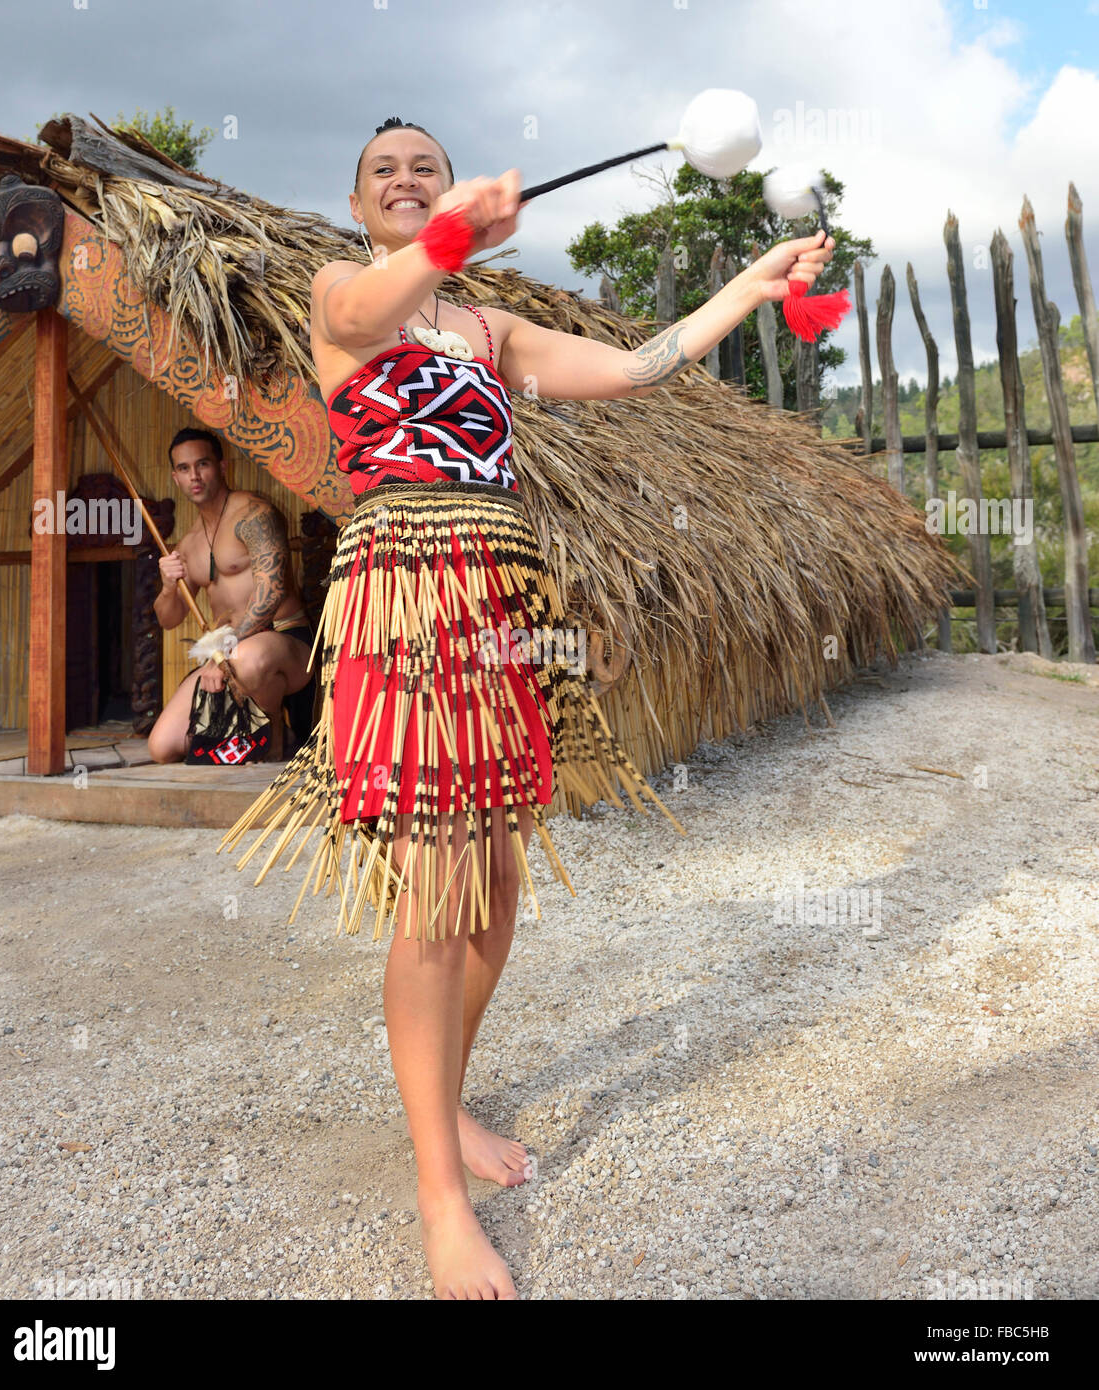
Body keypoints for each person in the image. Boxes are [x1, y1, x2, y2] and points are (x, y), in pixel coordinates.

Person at [226, 117, 834, 1299]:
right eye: (384, 171)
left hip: (501, 596)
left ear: (450, 188)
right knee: (438, 891)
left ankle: (443, 1106)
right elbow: (357, 321)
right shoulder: (343, 289)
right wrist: (453, 234)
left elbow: (637, 368)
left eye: (428, 169)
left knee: (495, 886)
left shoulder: (487, 327)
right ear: (360, 203)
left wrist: (747, 289)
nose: (406, 180)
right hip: (403, 587)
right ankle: (438, 1196)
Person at [148, 428, 315, 762]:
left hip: (285, 643)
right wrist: (168, 585)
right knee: (162, 747)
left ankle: (272, 744)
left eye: (202, 464)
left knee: (246, 659)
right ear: (175, 477)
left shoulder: (254, 514)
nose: (194, 475)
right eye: (184, 468)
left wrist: (223, 651)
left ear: (223, 467)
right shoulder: (188, 544)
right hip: (225, 657)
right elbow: (169, 619)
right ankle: (241, 739)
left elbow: (272, 590)